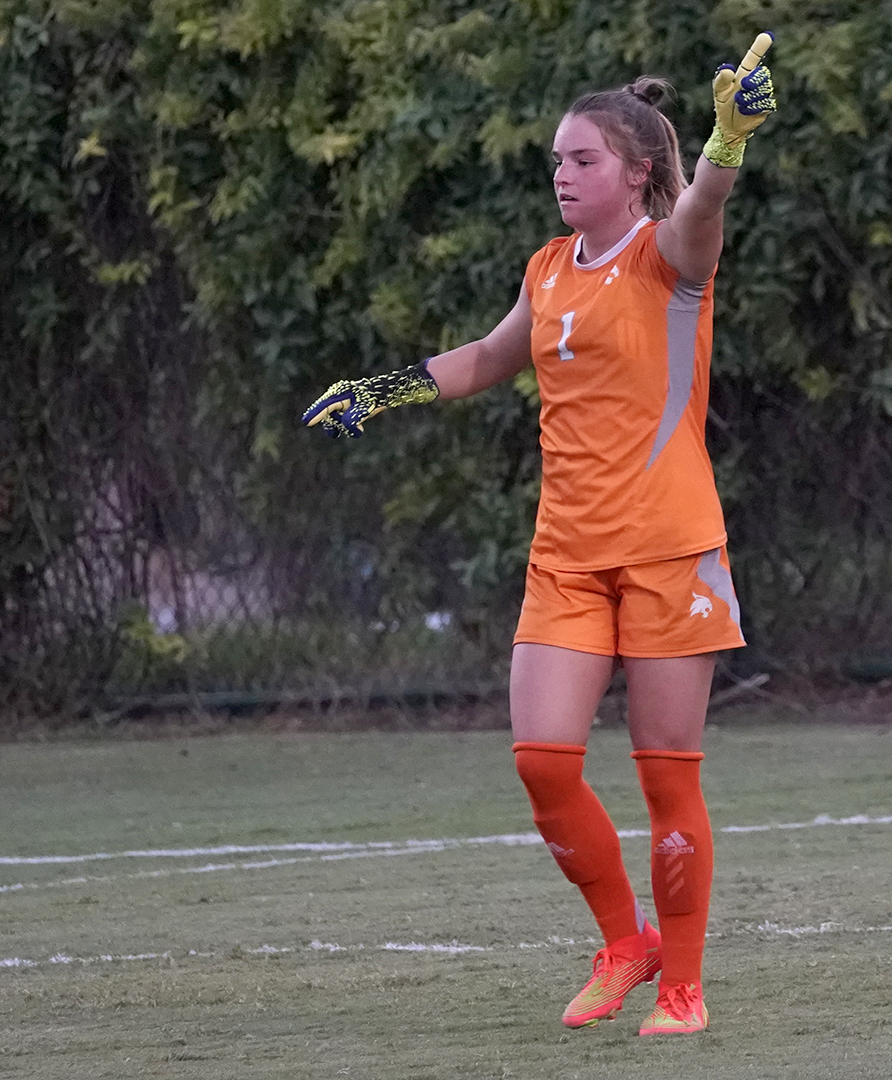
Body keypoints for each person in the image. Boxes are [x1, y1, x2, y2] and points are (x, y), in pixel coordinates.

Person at [302, 34, 778, 1037]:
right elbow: (487, 357)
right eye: (557, 160)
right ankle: (625, 944)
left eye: (582, 159)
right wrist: (381, 390)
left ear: (636, 172)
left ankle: (683, 987)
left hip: (669, 552)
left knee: (666, 778)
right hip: (566, 556)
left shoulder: (668, 256)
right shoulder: (549, 269)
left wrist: (728, 141)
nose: (562, 174)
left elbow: (702, 209)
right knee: (543, 763)